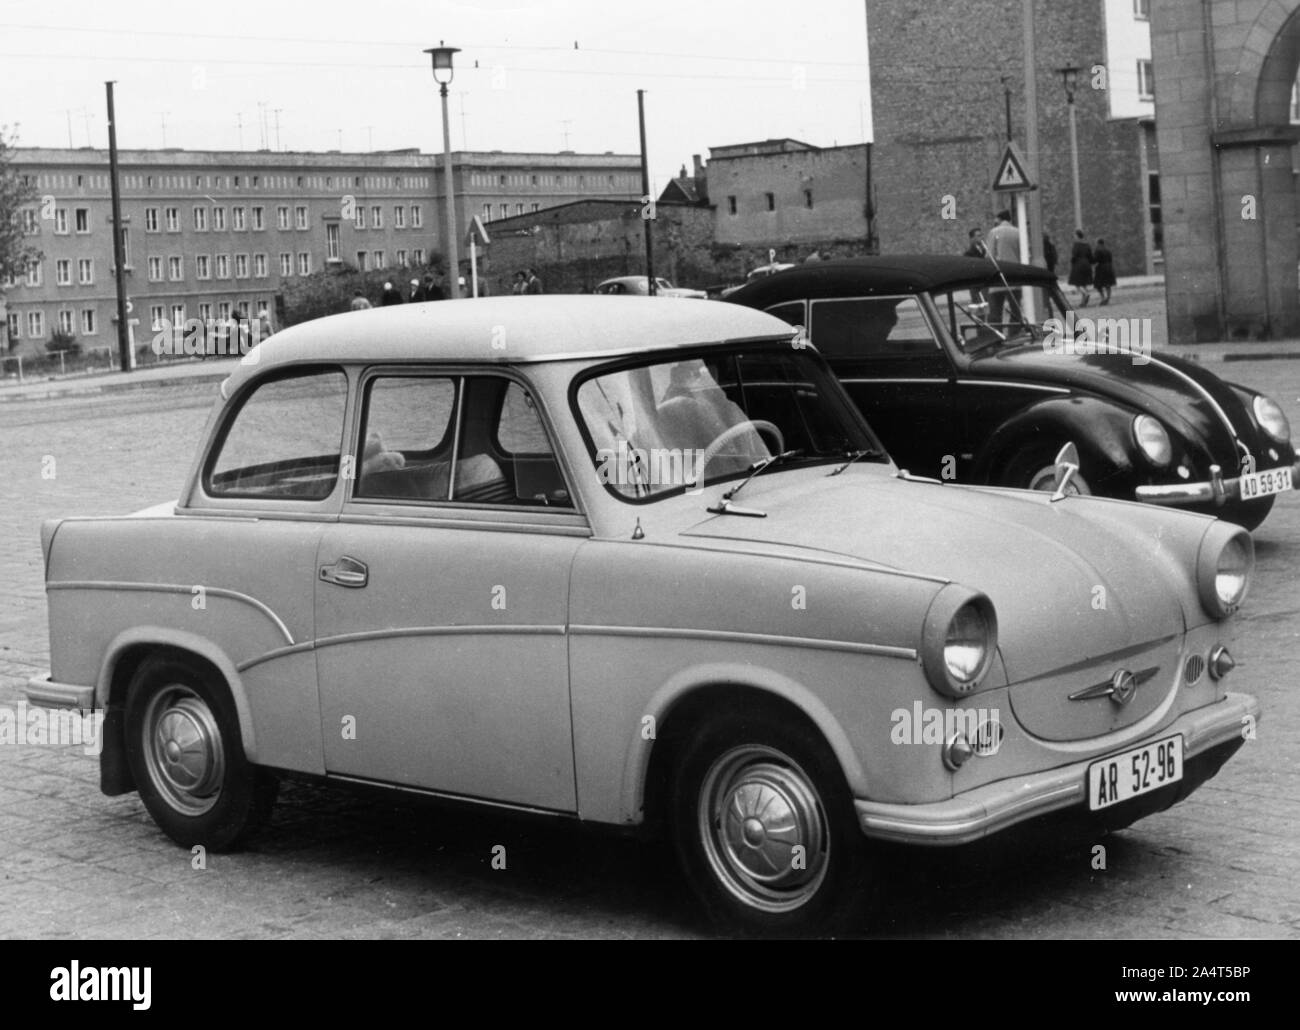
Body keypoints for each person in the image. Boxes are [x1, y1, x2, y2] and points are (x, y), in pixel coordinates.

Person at [986, 210, 1021, 324]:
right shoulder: (1018, 232)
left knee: (995, 312)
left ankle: (996, 336)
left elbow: (989, 255)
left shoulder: (994, 232)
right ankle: (1014, 334)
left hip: (998, 276)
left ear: (999, 219)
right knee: (1016, 310)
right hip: (1015, 276)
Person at [1068, 230, 1094, 307]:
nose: (1074, 237)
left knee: (1077, 283)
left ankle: (1086, 294)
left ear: (1077, 236)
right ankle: (1083, 302)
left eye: (1074, 236)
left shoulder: (1076, 245)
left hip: (1078, 265)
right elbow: (1090, 257)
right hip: (1087, 264)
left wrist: (1072, 262)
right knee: (1084, 283)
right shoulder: (1087, 245)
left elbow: (1074, 256)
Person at [1092, 238, 1116, 305]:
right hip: (1109, 268)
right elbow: (1111, 260)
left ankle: (1103, 297)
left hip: (1101, 268)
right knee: (1108, 284)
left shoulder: (1098, 250)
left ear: (1098, 243)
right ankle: (1108, 298)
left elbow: (1095, 260)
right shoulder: (1108, 250)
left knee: (1098, 285)